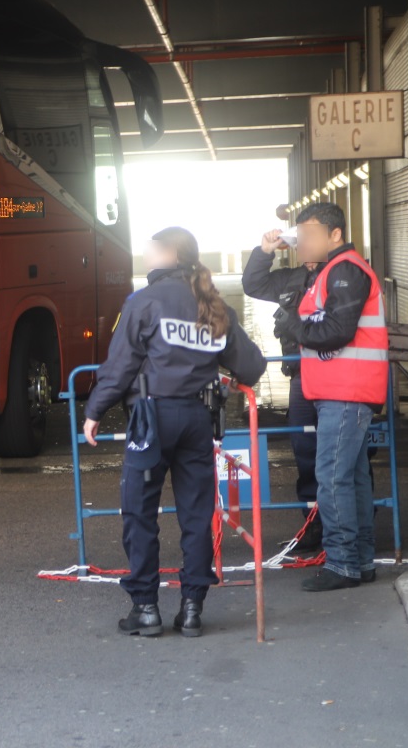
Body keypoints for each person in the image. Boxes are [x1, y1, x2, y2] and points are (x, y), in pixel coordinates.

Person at [83, 227, 267, 638]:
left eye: (150, 250)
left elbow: (119, 368)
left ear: (166, 254)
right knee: (197, 514)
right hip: (197, 420)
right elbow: (251, 366)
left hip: (150, 419)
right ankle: (192, 609)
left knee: (140, 512)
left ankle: (146, 608)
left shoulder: (144, 302)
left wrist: (94, 411)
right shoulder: (214, 304)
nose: (144, 256)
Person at [274, 202, 389, 591]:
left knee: (332, 478)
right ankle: (360, 561)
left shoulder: (345, 270)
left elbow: (337, 330)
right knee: (352, 477)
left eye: (307, 234)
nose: (300, 242)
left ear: (334, 234)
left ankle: (342, 563)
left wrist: (293, 322)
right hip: (342, 390)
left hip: (346, 391)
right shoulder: (333, 271)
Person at [243, 229, 323, 551]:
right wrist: (265, 250)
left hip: (337, 375)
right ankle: (313, 524)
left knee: (343, 455)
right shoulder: (292, 278)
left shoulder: (345, 275)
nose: (304, 246)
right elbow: (254, 284)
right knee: (306, 453)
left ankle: (350, 526)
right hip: (302, 377)